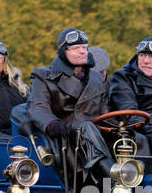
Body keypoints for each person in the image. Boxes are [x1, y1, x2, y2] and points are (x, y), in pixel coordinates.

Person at [27, 27, 113, 178]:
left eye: (84, 47)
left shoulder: (97, 78)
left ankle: (148, 184)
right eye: (76, 48)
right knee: (85, 127)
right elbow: (38, 107)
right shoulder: (43, 76)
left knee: (136, 138)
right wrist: (52, 123)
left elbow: (106, 115)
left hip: (97, 135)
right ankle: (113, 178)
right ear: (63, 51)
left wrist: (118, 128)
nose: (82, 51)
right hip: (67, 138)